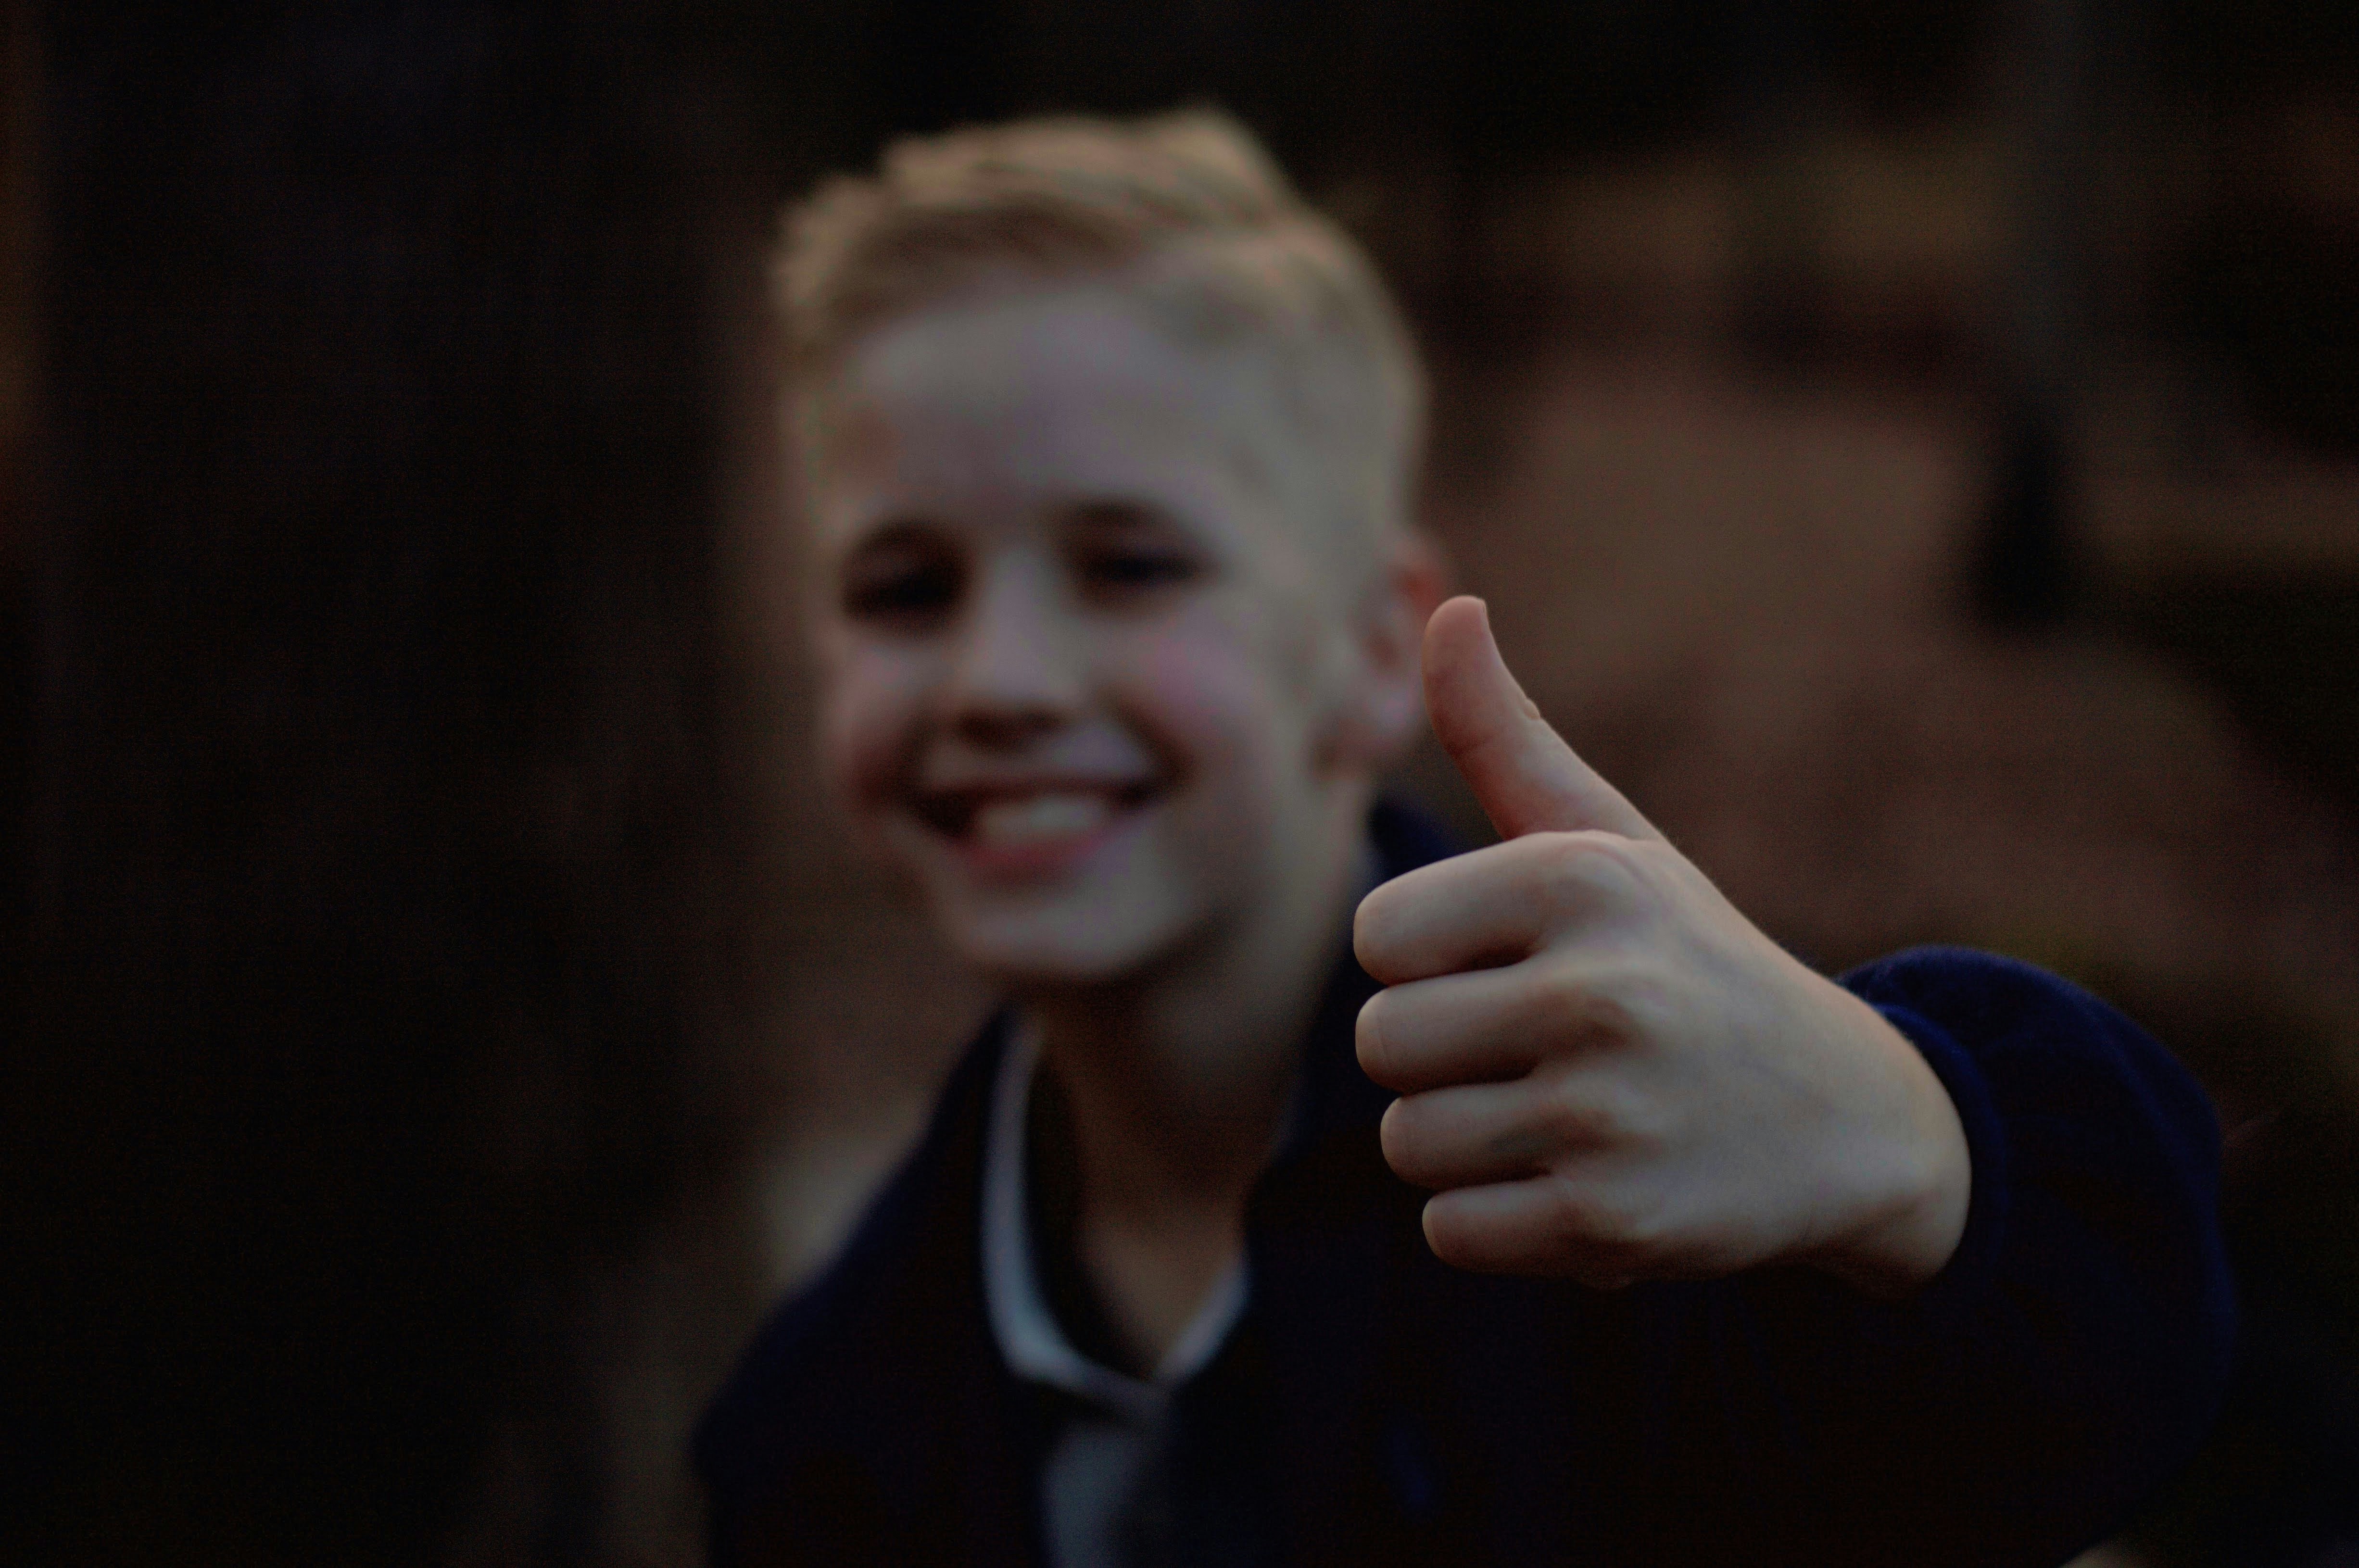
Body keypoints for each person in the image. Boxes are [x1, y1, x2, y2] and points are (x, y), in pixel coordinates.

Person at [695, 110, 2235, 1567]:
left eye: (1128, 565)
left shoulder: (1646, 1204)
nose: (999, 684)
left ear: (1373, 651)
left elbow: (2134, 1361)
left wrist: (1910, 1142)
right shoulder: (817, 1425)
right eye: (904, 591)